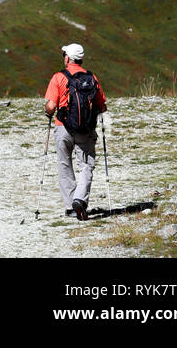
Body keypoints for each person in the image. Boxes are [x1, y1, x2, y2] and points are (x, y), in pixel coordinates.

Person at [44, 42, 107, 220]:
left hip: (62, 127)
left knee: (65, 165)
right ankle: (80, 199)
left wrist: (47, 112)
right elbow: (102, 106)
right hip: (85, 130)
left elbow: (51, 106)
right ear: (81, 59)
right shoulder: (91, 77)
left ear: (68, 58)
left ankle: (70, 207)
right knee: (86, 165)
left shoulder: (58, 77)